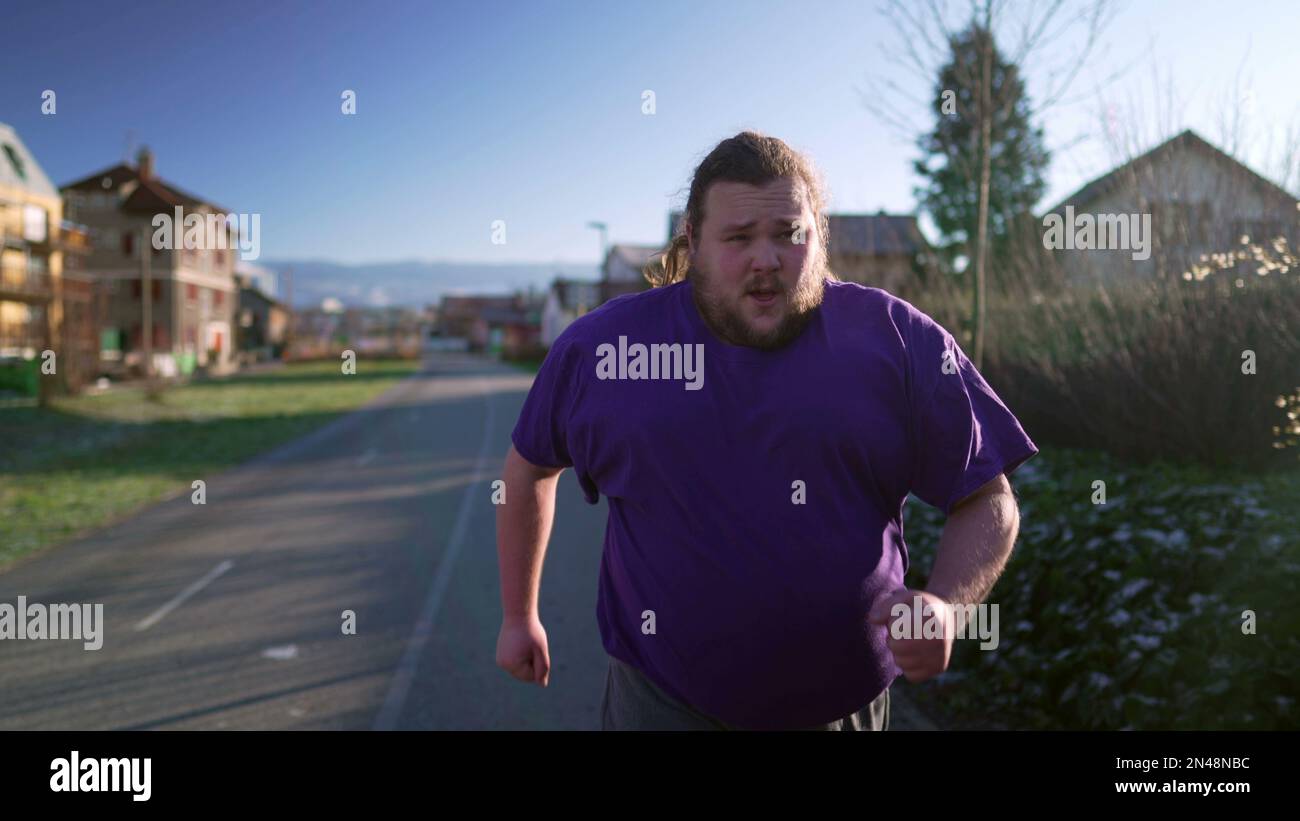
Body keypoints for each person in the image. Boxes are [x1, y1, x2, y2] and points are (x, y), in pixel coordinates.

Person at [495, 131, 1037, 731]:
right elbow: (530, 467)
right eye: (738, 237)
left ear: (818, 234)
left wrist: (945, 605)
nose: (767, 258)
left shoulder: (897, 339)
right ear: (693, 242)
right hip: (663, 703)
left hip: (843, 709)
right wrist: (520, 615)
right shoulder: (607, 349)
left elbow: (989, 498)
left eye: (788, 233)